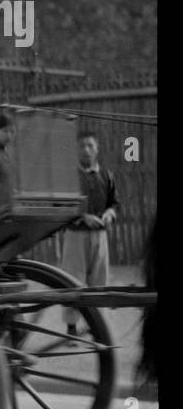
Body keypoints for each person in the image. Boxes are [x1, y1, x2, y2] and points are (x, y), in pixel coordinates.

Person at [60, 130, 119, 332]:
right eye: (82, 146)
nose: (86, 150)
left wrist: (110, 213)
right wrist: (83, 217)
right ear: (76, 150)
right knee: (73, 280)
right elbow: (61, 206)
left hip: (100, 237)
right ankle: (71, 326)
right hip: (76, 235)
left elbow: (114, 203)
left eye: (90, 145)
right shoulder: (69, 176)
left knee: (99, 281)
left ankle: (97, 327)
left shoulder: (106, 175)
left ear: (97, 148)